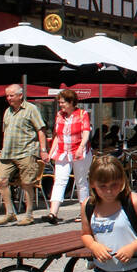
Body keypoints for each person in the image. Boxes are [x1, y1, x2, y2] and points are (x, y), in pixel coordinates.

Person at [0, 84, 48, 227]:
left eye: (11, 95)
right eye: (7, 96)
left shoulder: (31, 109)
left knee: (27, 183)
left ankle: (29, 214)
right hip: (7, 153)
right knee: (2, 180)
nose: (9, 98)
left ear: (20, 95)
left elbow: (41, 130)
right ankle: (10, 213)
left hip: (26, 152)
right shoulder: (8, 111)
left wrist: (43, 150)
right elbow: (5, 131)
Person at [46, 89, 92, 225]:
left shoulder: (83, 114)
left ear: (71, 102)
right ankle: (52, 213)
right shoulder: (59, 115)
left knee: (81, 182)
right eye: (59, 102)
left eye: (62, 102)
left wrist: (81, 147)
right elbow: (58, 136)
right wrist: (51, 152)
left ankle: (84, 211)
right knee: (60, 180)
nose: (60, 105)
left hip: (79, 151)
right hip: (63, 151)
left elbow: (86, 133)